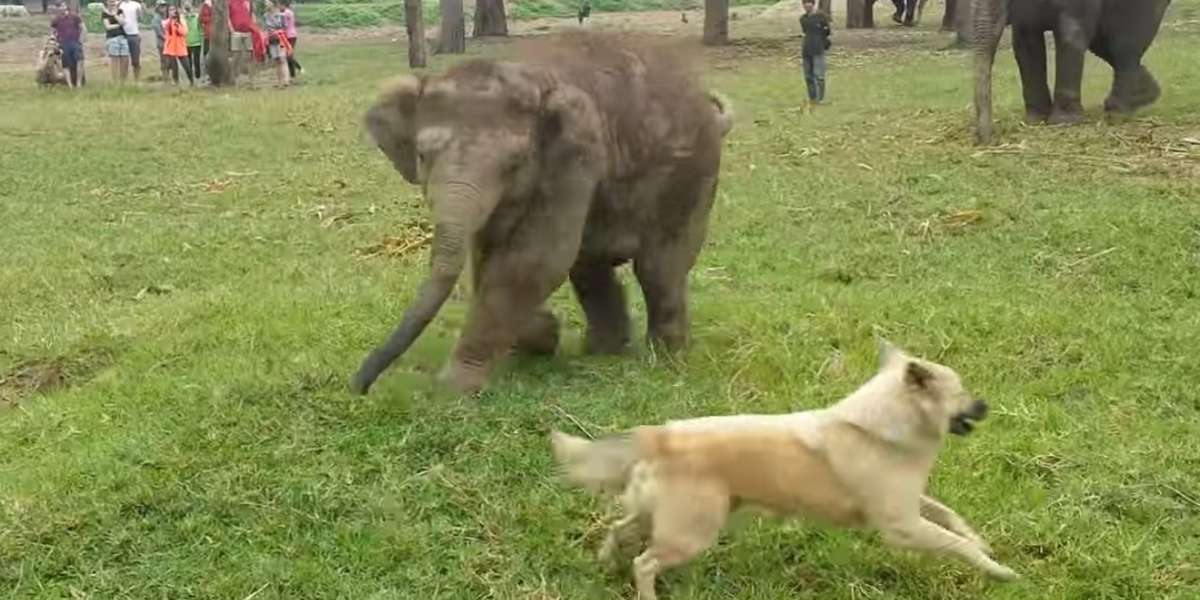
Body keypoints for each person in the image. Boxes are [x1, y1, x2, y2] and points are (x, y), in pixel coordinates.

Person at [799, 0, 831, 105]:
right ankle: (812, 98)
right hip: (807, 49)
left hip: (818, 48)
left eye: (809, 2)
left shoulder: (821, 17)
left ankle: (820, 98)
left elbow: (827, 31)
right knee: (808, 76)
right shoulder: (803, 19)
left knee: (819, 75)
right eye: (805, 3)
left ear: (813, 4)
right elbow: (805, 31)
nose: (807, 5)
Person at [49, 3, 84, 87]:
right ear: (57, 9)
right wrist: (54, 42)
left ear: (66, 7)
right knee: (66, 64)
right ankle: (70, 85)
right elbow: (52, 31)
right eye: (59, 7)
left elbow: (82, 27)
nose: (62, 8)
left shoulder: (74, 16)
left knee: (80, 61)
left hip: (75, 42)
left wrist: (81, 40)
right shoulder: (56, 19)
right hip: (63, 44)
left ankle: (79, 83)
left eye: (63, 6)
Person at [163, 4, 193, 86]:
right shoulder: (166, 21)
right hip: (171, 47)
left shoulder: (181, 21)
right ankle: (176, 82)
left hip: (180, 47)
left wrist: (178, 24)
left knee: (186, 65)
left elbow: (185, 32)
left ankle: (191, 81)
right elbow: (165, 27)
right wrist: (171, 19)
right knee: (173, 66)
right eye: (170, 10)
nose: (172, 12)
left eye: (174, 10)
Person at [262, 0, 290, 87]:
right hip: (271, 40)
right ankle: (279, 81)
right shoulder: (265, 16)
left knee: (282, 58)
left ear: (273, 3)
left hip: (281, 39)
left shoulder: (281, 15)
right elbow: (265, 28)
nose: (266, 4)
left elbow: (285, 27)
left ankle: (286, 80)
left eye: (268, 2)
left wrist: (278, 32)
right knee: (277, 60)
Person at [227, 0, 255, 84]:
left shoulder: (248, 2)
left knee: (249, 55)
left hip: (248, 31)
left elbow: (252, 14)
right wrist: (231, 29)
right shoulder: (230, 2)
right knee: (235, 56)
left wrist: (253, 26)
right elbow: (227, 17)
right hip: (236, 32)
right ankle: (234, 79)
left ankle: (251, 80)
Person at [102, 0, 130, 83]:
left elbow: (123, 22)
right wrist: (118, 24)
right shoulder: (104, 13)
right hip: (112, 38)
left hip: (123, 37)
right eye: (110, 1)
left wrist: (114, 14)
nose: (112, 2)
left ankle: (123, 81)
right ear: (107, 2)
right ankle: (115, 82)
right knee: (114, 60)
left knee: (125, 59)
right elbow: (108, 27)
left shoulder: (120, 11)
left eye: (113, 1)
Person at [117, 0, 143, 81]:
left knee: (136, 60)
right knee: (123, 60)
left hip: (134, 34)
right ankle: (123, 80)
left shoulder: (136, 4)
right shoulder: (119, 4)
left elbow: (141, 17)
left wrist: (141, 10)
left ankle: (137, 80)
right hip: (122, 34)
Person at [280, 0, 301, 79]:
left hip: (289, 36)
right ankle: (293, 73)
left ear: (282, 5)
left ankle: (296, 71)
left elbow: (284, 25)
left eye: (279, 5)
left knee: (288, 55)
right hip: (291, 35)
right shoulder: (290, 12)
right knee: (288, 55)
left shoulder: (285, 13)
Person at [184, 1, 203, 80]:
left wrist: (201, 37)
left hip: (196, 42)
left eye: (189, 7)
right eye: (186, 8)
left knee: (196, 61)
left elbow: (201, 28)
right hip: (186, 42)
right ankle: (190, 76)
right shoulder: (183, 18)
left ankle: (198, 76)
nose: (188, 10)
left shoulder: (197, 17)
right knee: (188, 62)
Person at [152, 1, 169, 82]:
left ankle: (169, 78)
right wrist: (168, 39)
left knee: (170, 61)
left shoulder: (167, 17)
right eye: (161, 6)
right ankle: (166, 78)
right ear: (157, 8)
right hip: (162, 43)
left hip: (170, 43)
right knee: (164, 61)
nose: (163, 8)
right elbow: (159, 33)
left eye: (164, 6)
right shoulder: (156, 18)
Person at [198, 0, 213, 67]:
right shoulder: (205, 6)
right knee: (207, 50)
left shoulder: (217, 5)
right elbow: (201, 19)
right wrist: (210, 18)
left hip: (217, 34)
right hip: (208, 32)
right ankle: (206, 66)